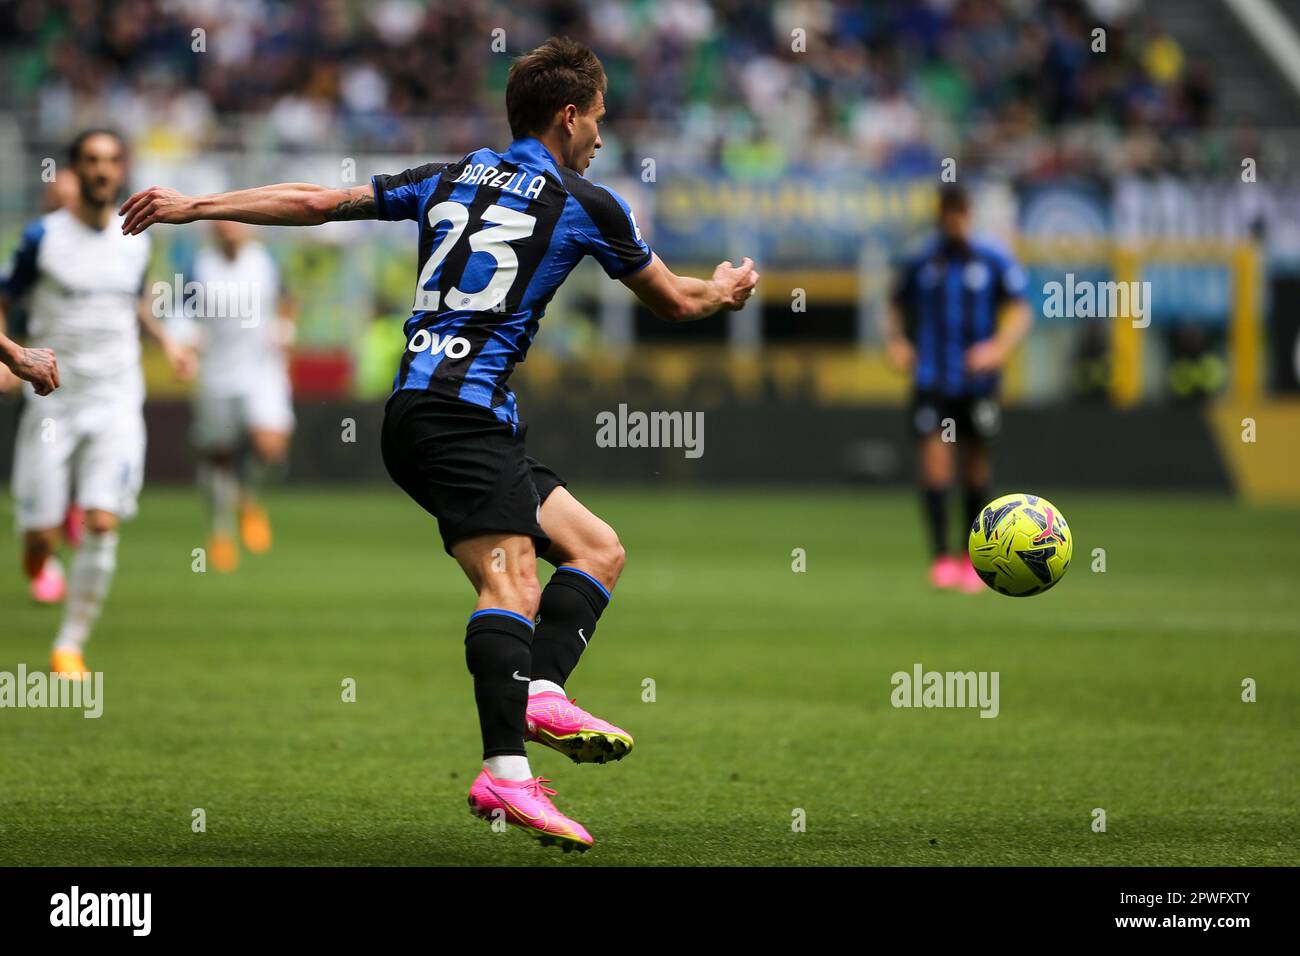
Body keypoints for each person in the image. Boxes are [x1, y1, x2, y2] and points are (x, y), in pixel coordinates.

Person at [119, 37, 758, 852]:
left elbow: (317, 204)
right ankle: (506, 775)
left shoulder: (449, 175)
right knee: (512, 580)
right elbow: (675, 301)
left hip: (434, 411)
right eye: (598, 119)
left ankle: (538, 690)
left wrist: (198, 204)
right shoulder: (589, 202)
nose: (602, 135)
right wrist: (729, 292)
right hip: (460, 416)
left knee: (596, 550)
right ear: (569, 117)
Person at [0, 128, 195, 671]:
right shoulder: (42, 236)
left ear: (122, 167)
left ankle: (70, 644)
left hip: (116, 397)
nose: (102, 170)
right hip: (53, 402)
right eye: (91, 160)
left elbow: (134, 303)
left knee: (102, 521)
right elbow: (5, 295)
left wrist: (169, 342)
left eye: (111, 160)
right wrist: (9, 359)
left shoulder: (138, 237)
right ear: (75, 170)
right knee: (40, 537)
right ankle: (36, 547)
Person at [885, 185, 1031, 592]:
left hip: (977, 382)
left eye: (960, 212)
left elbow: (1021, 308)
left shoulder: (993, 257)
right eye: (948, 213)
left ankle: (972, 558)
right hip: (931, 380)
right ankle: (940, 557)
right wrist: (896, 342)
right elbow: (893, 303)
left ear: (969, 213)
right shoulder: (920, 258)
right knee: (934, 464)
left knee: (975, 469)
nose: (954, 221)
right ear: (940, 215)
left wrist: (999, 348)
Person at [186, 220, 296, 572]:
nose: (231, 230)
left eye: (236, 224)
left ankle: (247, 497)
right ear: (214, 230)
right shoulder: (199, 266)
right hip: (217, 371)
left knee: (271, 446)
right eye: (223, 225)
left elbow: (288, 299)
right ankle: (220, 531)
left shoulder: (266, 260)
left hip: (262, 369)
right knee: (219, 456)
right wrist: (187, 341)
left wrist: (285, 329)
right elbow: (181, 311)